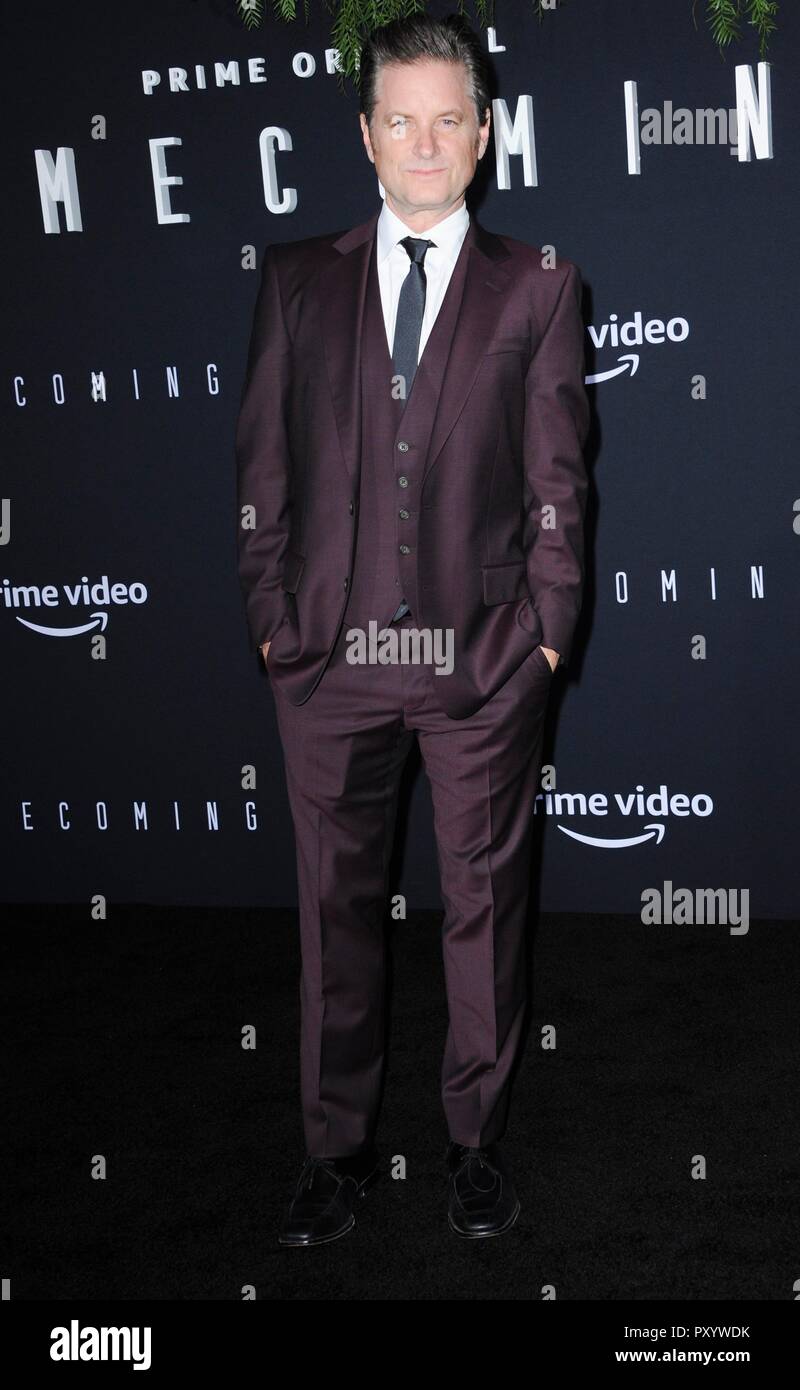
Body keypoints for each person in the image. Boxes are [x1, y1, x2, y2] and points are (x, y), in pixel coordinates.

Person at [235, 12, 589, 1245]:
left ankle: (473, 1144)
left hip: (477, 661)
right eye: (400, 118)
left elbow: (558, 479)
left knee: (484, 910)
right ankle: (333, 1153)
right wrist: (275, 625)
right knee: (331, 920)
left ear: (482, 136)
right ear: (366, 135)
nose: (424, 141)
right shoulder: (293, 279)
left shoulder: (538, 286)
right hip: (327, 665)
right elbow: (264, 472)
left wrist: (543, 634)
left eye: (449, 118)